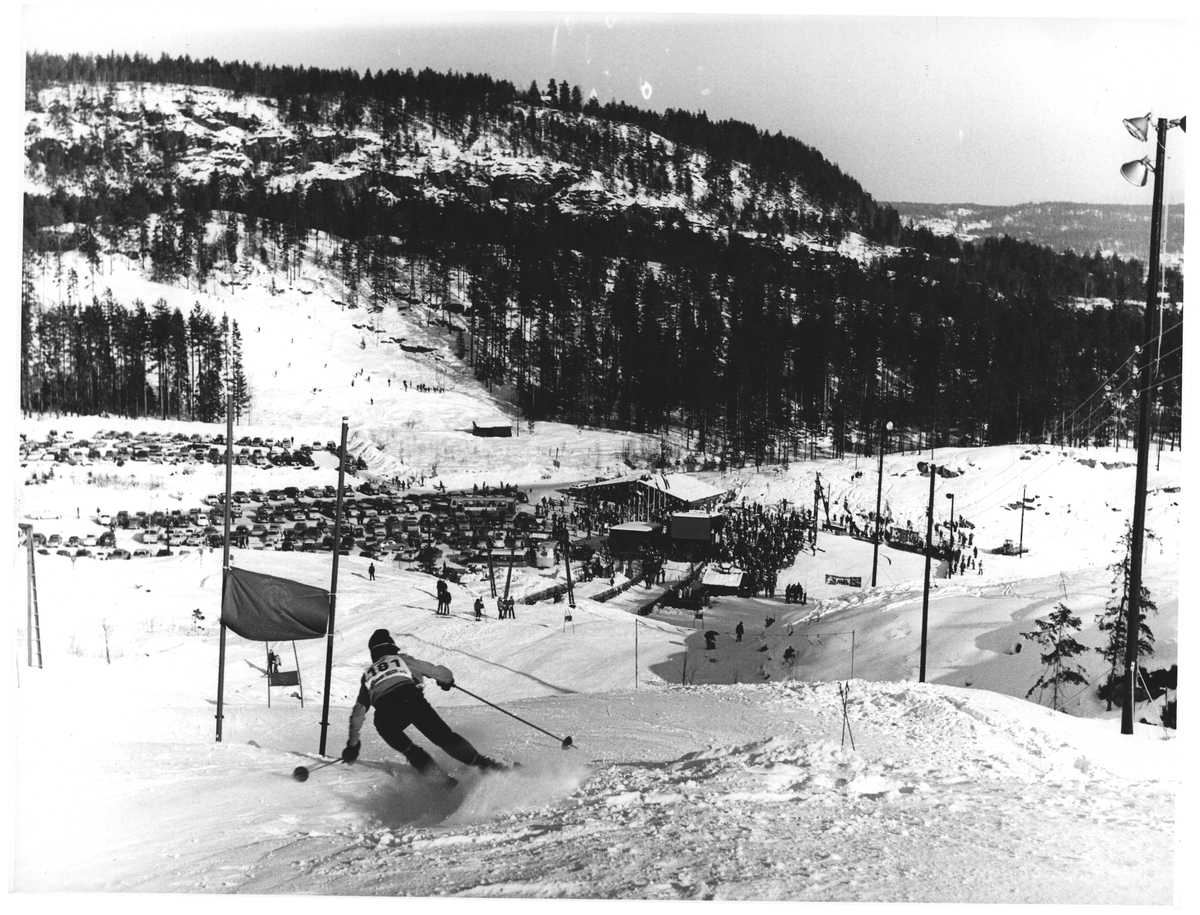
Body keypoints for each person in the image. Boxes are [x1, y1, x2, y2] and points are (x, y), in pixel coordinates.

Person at [342, 629, 507, 783]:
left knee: (411, 751)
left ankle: (443, 783)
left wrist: (352, 746)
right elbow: (442, 674)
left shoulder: (368, 675)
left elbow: (358, 714)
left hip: (385, 717)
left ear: (373, 654)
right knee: (445, 738)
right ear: (393, 647)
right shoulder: (403, 660)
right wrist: (446, 682)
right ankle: (486, 766)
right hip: (410, 700)